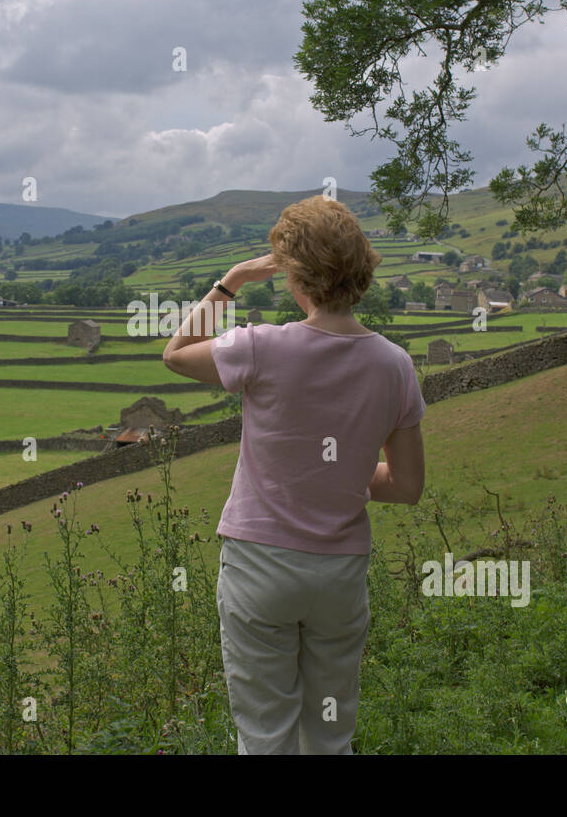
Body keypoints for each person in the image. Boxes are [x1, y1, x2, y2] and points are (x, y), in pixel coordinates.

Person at [162, 195, 426, 754]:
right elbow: (406, 487)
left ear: (293, 274)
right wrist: (345, 475)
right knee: (330, 732)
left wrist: (231, 281)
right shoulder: (395, 365)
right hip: (339, 571)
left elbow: (177, 353)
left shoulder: (261, 346)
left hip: (260, 563)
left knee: (265, 733)